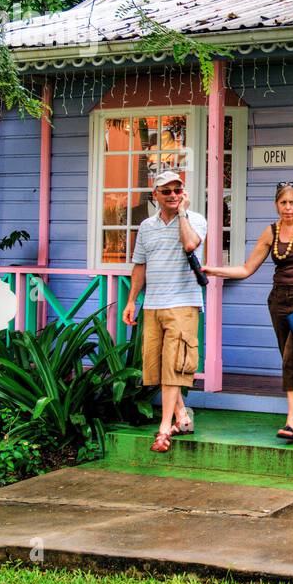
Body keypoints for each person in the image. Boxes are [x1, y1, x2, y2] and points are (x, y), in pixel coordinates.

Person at [203, 180, 293, 440]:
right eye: (283, 203)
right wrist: (214, 270)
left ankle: (291, 422)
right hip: (278, 301)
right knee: (291, 360)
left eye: (292, 202)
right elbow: (245, 269)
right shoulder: (271, 232)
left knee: (292, 358)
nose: (288, 208)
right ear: (276, 204)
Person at [122, 171, 207, 454]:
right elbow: (139, 266)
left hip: (183, 303)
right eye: (166, 191)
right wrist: (132, 300)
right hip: (153, 304)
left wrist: (182, 213)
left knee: (174, 367)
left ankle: (163, 430)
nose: (172, 195)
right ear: (155, 195)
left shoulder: (194, 220)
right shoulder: (146, 227)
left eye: (177, 190)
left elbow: (190, 244)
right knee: (158, 367)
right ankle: (181, 415)